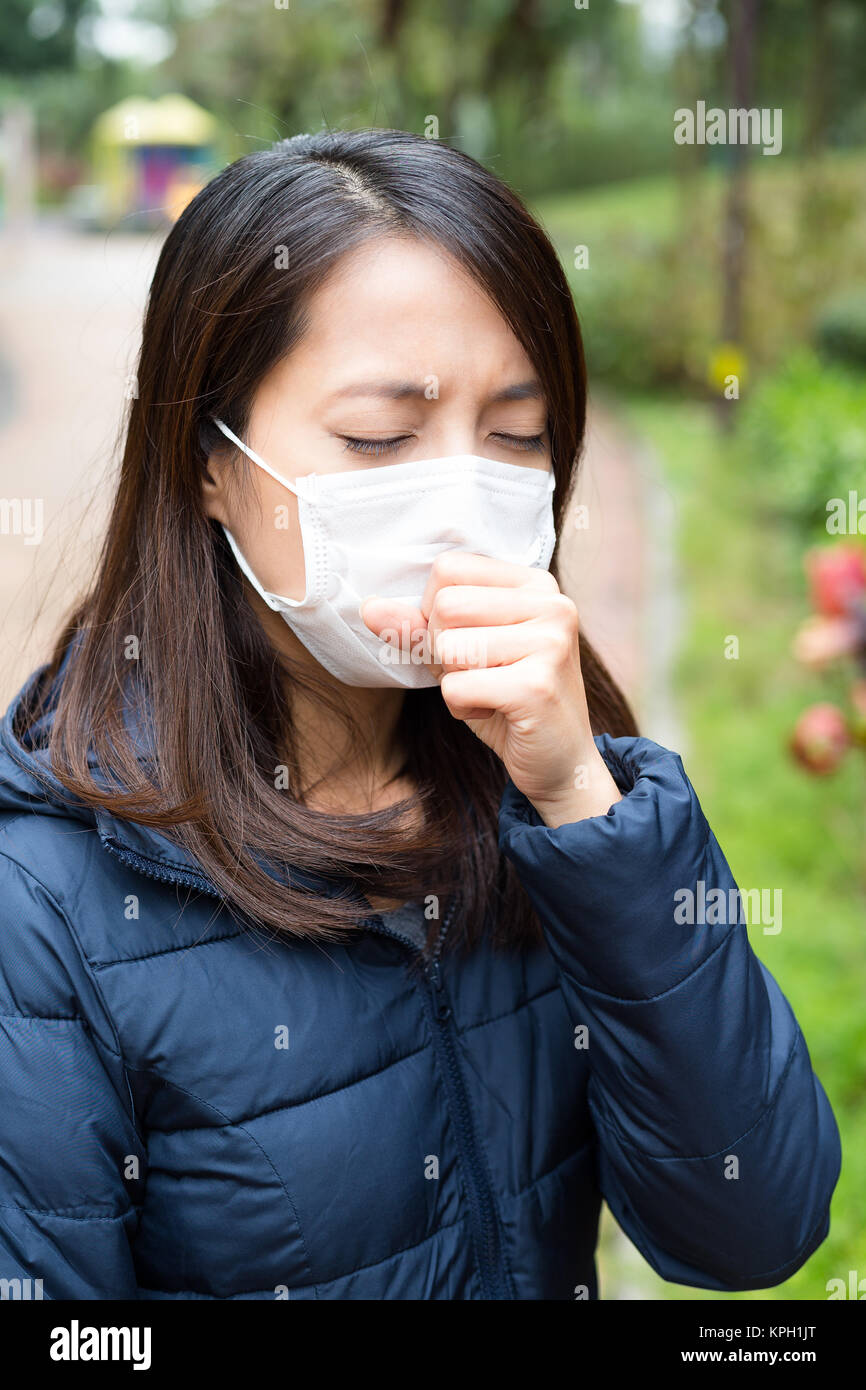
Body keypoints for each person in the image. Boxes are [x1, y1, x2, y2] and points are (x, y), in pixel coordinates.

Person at [0, 129, 840, 1300]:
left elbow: (753, 1226)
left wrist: (585, 814)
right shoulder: (47, 904)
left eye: (514, 433)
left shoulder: (547, 781)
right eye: (380, 439)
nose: (457, 504)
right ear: (208, 459)